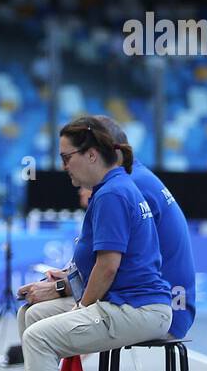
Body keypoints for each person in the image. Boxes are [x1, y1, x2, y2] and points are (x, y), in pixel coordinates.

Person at [0, 117, 173, 371]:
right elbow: (94, 266)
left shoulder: (113, 195)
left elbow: (108, 266)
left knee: (39, 337)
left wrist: (81, 306)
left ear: (91, 155)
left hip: (137, 310)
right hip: (127, 304)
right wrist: (61, 288)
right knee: (32, 315)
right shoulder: (114, 189)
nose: (63, 167)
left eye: (66, 157)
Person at [26, 116, 196, 341]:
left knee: (43, 329)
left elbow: (111, 268)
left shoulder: (122, 188)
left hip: (160, 304)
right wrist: (68, 280)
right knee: (36, 317)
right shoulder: (133, 178)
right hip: (149, 297)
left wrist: (61, 288)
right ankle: (48, 368)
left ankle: (49, 362)